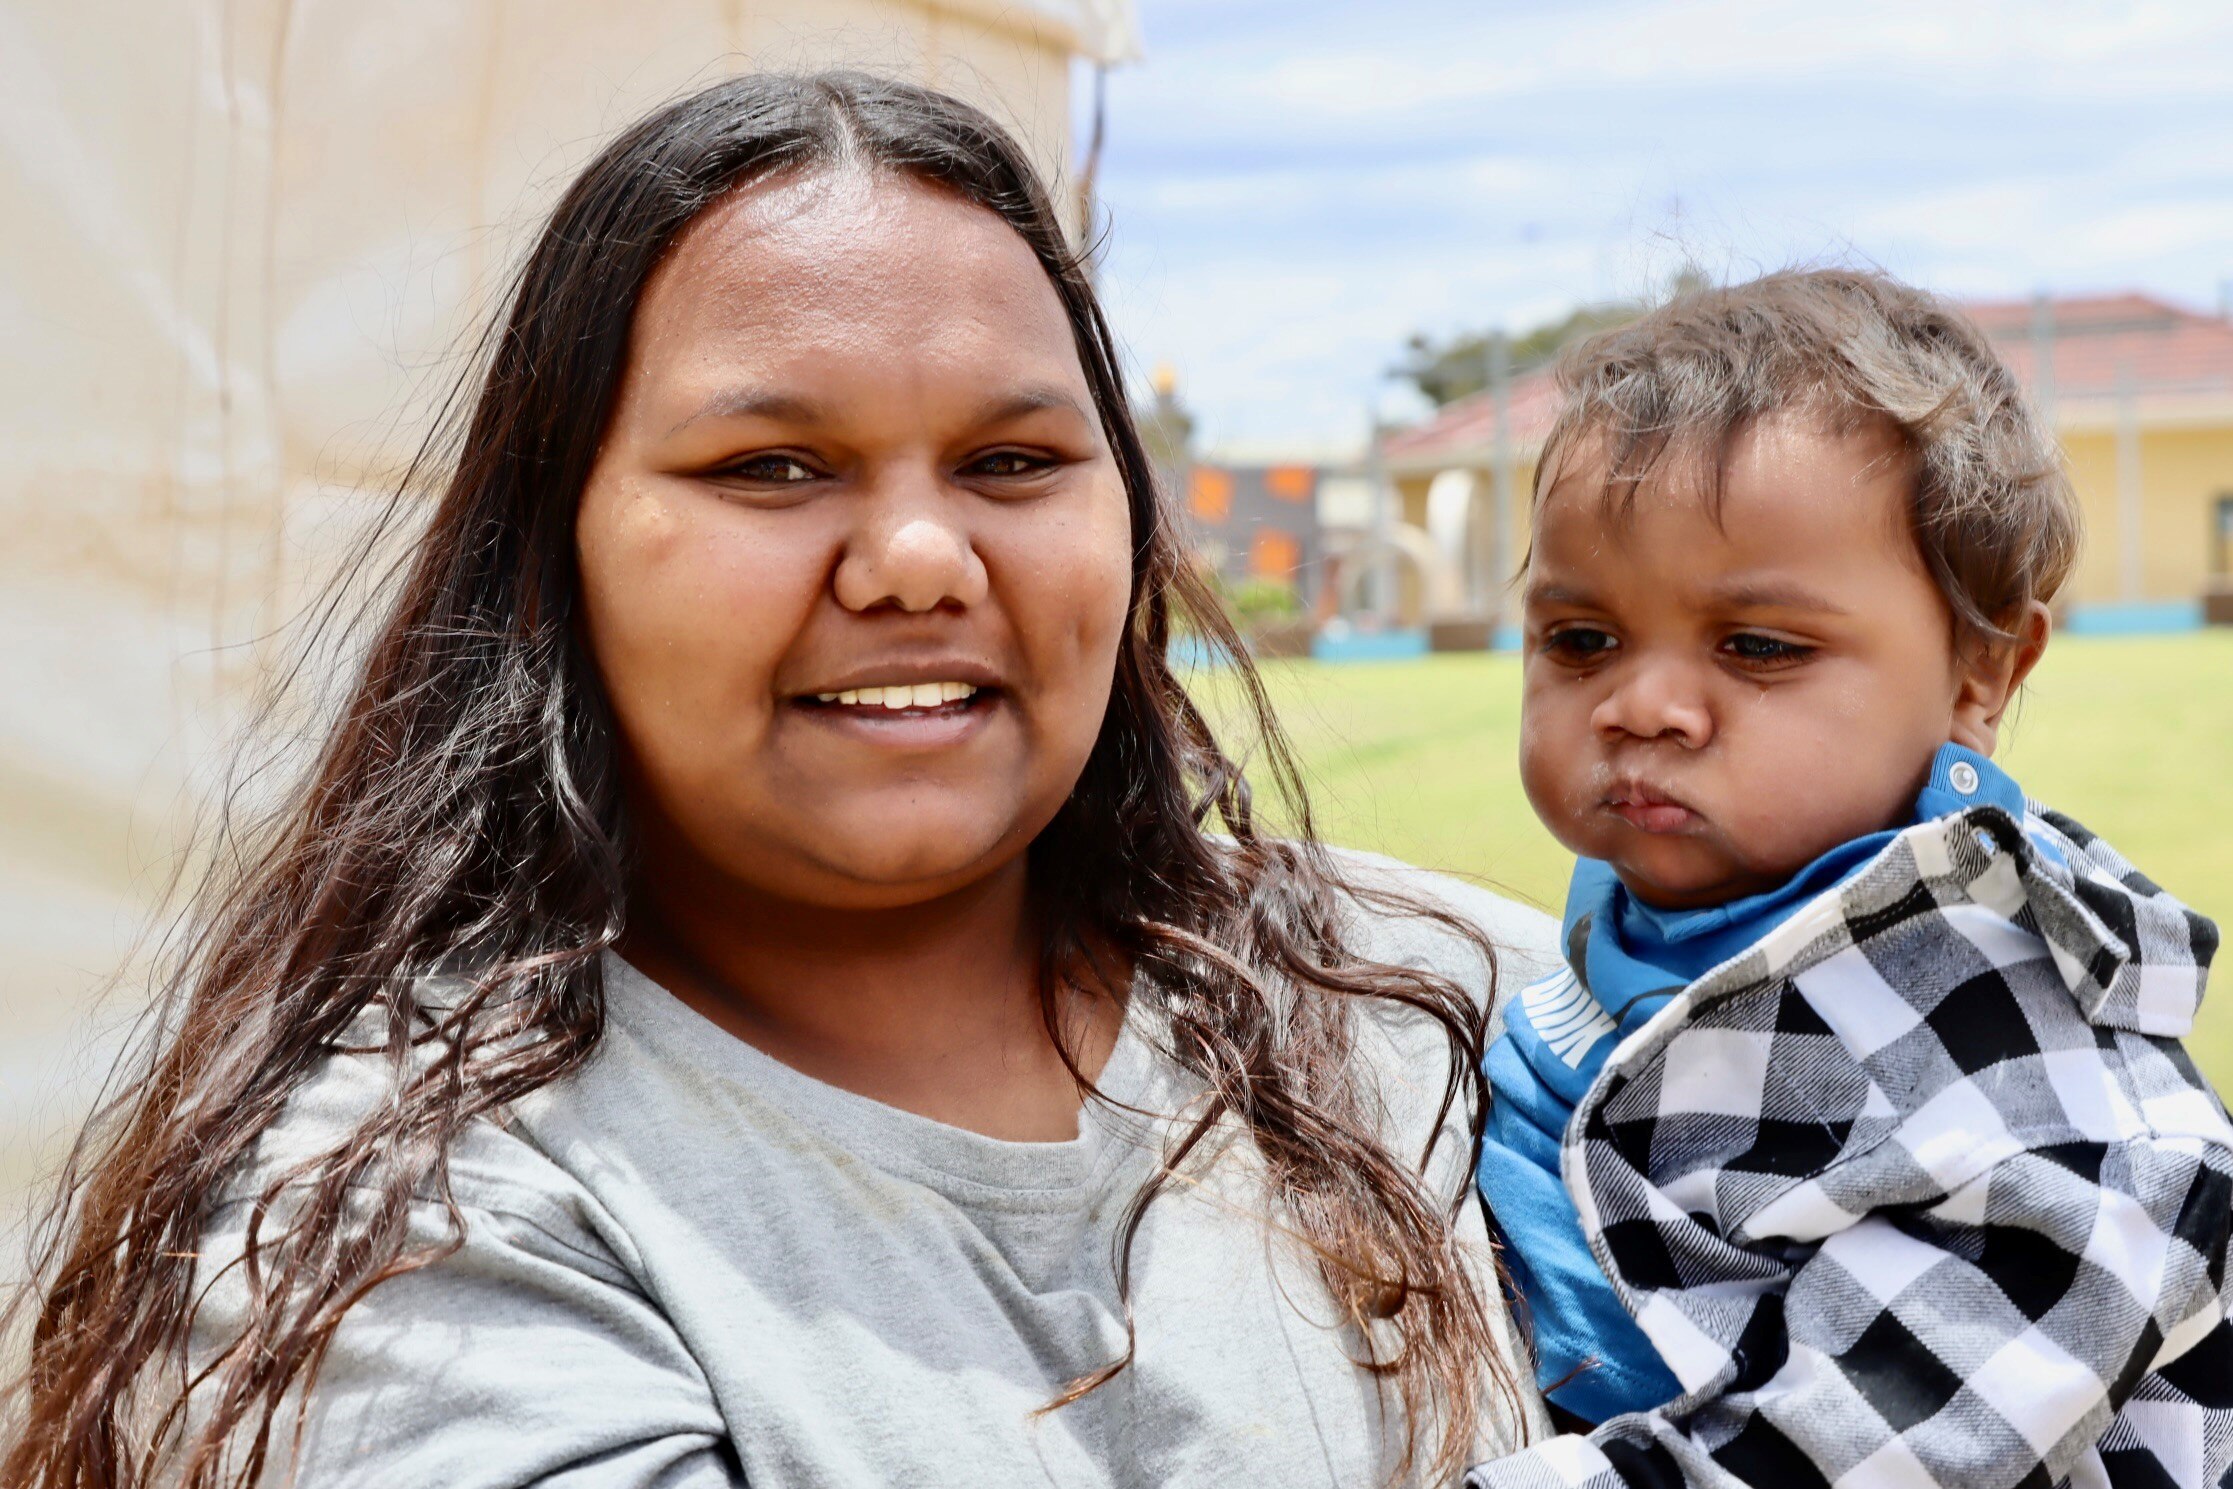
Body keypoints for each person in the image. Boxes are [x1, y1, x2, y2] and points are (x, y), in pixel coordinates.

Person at [1, 74, 1553, 1488]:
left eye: (1012, 463)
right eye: (770, 468)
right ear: (554, 559)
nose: (921, 559)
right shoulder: (403, 1227)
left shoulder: (1455, 1019)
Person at [1470, 269, 2233, 1489]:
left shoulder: (2021, 1072)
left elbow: (1847, 1454)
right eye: (1581, 639)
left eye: (1757, 646)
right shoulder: (1627, 923)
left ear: (1981, 675)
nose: (1641, 705)